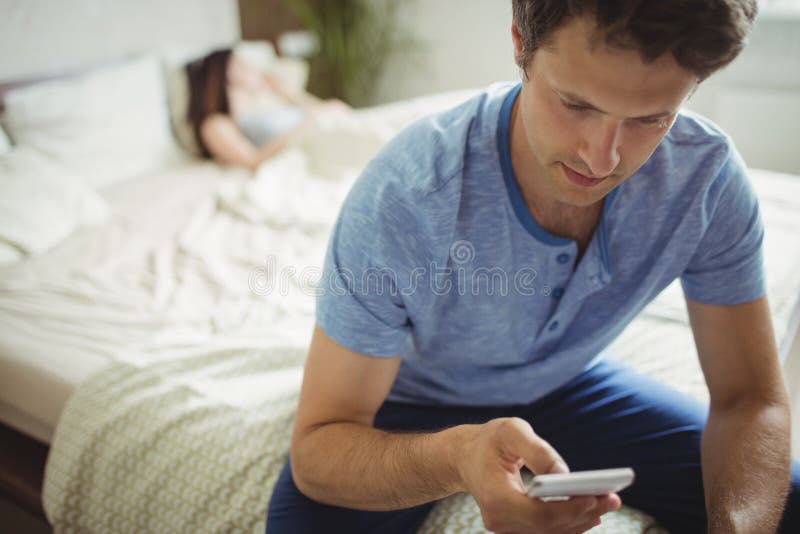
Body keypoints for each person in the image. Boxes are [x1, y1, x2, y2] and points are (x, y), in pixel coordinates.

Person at [266, 1, 800, 532]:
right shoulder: (407, 194)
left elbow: (749, 399)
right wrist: (457, 456)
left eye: (650, 118)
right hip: (405, 406)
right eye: (575, 104)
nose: (602, 159)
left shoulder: (705, 180)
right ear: (520, 42)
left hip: (567, 385)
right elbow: (319, 449)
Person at [186, 48, 347, 171]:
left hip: (337, 128)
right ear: (226, 73)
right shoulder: (215, 123)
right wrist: (310, 122)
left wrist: (286, 94)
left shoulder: (266, 105)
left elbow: (324, 108)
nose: (251, 67)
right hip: (321, 142)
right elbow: (253, 161)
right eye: (241, 64)